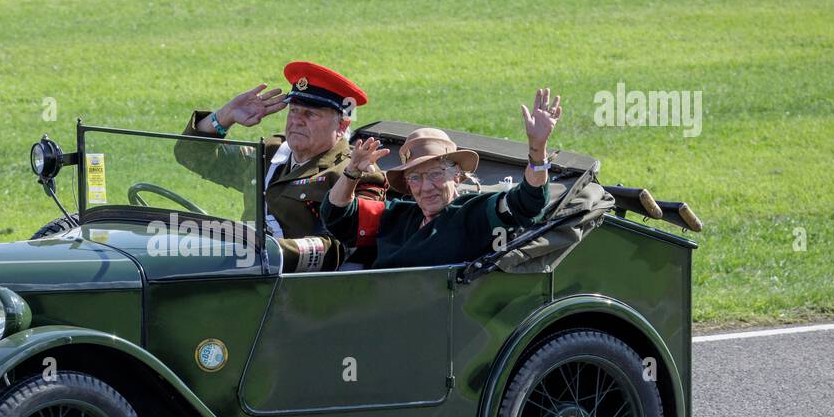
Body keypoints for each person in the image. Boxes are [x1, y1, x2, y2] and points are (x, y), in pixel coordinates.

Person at [174, 61, 387, 272]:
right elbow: (191, 155)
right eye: (294, 111)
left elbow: (340, 249)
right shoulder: (271, 153)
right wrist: (225, 116)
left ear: (342, 125)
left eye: (310, 114)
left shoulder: (355, 173)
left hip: (298, 289)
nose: (297, 121)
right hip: (245, 272)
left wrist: (263, 251)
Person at [321, 88, 562, 268]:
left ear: (457, 175)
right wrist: (351, 173)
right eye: (415, 178)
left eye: (435, 174)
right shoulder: (397, 216)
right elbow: (337, 216)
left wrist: (537, 150)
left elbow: (528, 203)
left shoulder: (472, 214)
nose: (426, 187)